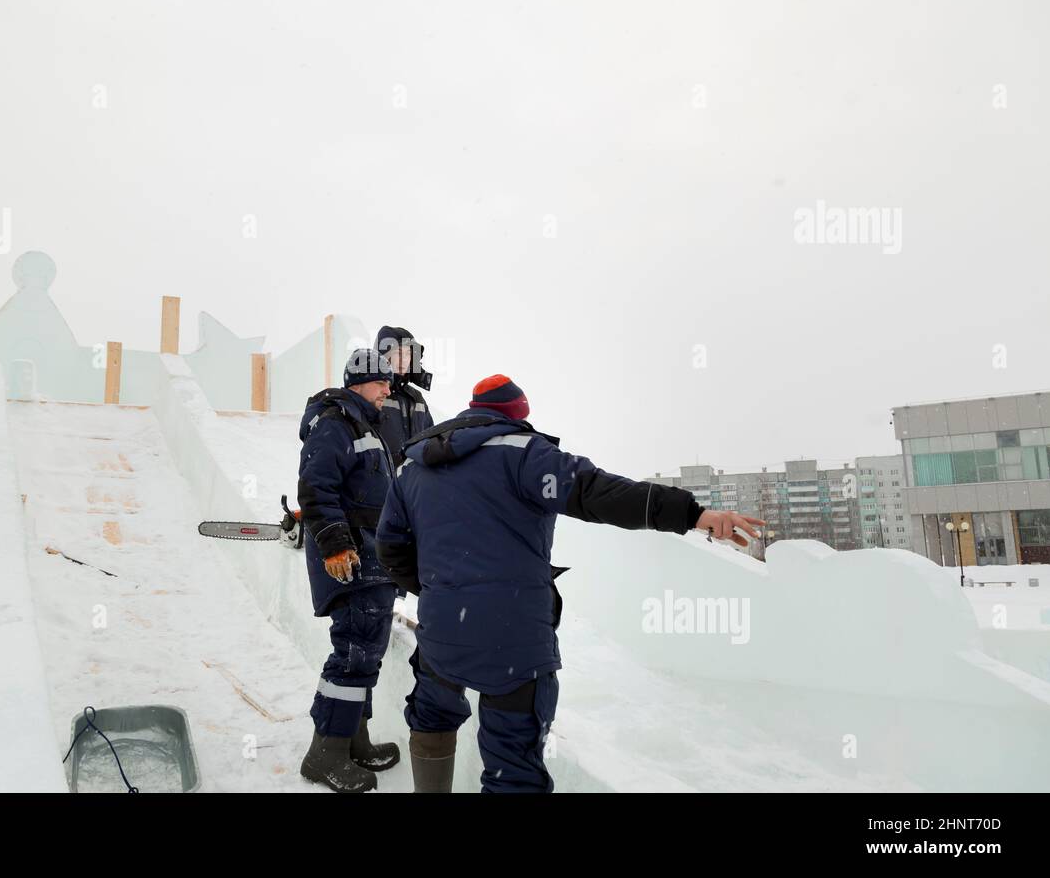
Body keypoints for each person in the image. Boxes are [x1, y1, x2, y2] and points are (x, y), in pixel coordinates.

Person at [375, 374, 763, 793]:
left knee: (432, 717)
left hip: (442, 628)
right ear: (516, 414)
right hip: (514, 637)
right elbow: (600, 494)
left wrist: (441, 590)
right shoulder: (526, 453)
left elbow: (390, 547)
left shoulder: (416, 465)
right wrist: (693, 514)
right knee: (512, 763)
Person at [296, 348, 403, 792]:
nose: (387, 391)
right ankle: (325, 753)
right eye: (381, 383)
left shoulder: (365, 429)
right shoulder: (335, 423)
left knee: (366, 655)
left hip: (373, 562)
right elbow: (317, 487)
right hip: (353, 562)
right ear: (359, 382)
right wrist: (336, 544)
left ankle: (355, 740)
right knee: (353, 653)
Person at [374, 325, 435, 470]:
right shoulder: (372, 393)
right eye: (398, 353)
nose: (404, 360)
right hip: (382, 486)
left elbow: (431, 441)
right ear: (383, 355)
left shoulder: (417, 399)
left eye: (408, 354)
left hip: (414, 485)